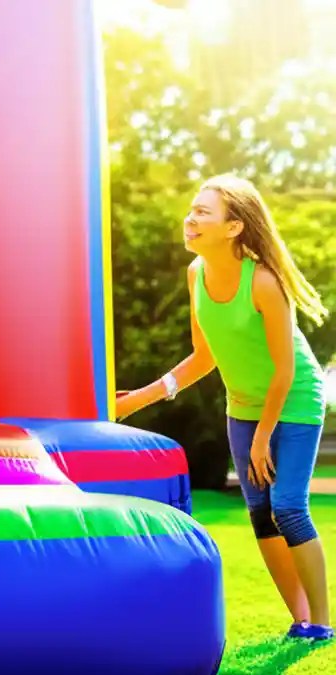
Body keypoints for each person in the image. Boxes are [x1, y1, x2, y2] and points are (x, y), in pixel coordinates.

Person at [116, 175, 331, 641]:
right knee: (260, 513)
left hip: (292, 401)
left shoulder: (265, 282)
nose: (189, 220)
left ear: (234, 227)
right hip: (243, 405)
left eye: (202, 213)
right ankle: (300, 620)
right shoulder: (196, 273)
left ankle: (324, 621)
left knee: (288, 507)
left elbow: (285, 371)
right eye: (191, 210)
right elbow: (203, 357)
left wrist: (260, 438)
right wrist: (138, 400)